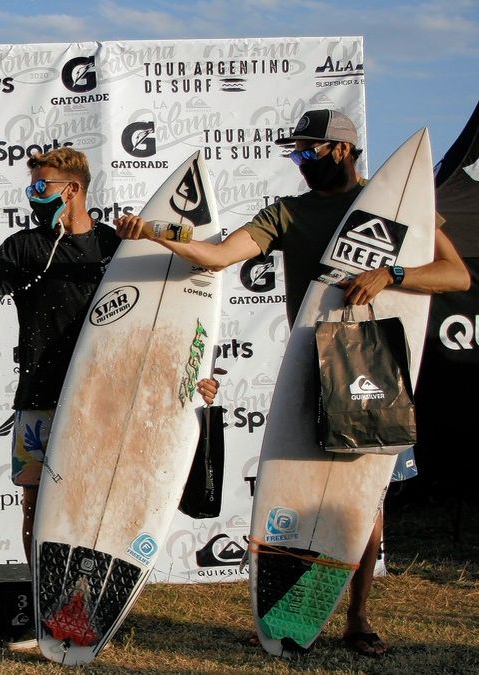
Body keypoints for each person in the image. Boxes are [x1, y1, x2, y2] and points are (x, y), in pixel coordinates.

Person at [114, 108, 471, 657]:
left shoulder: (394, 203)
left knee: (364, 501)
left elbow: (457, 275)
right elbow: (219, 255)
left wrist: (393, 274)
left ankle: (357, 618)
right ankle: (292, 613)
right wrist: (155, 234)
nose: (301, 162)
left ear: (342, 149)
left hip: (375, 368)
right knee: (299, 495)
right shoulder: (289, 212)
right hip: (312, 364)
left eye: (310, 151)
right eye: (295, 153)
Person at [0, 146, 219, 653]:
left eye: (42, 187)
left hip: (108, 401)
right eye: (31, 187)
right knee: (37, 504)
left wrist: (196, 372)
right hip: (40, 397)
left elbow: (177, 306)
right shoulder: (23, 247)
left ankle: (93, 605)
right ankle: (47, 613)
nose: (33, 195)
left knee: (103, 502)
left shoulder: (116, 245)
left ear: (73, 189)